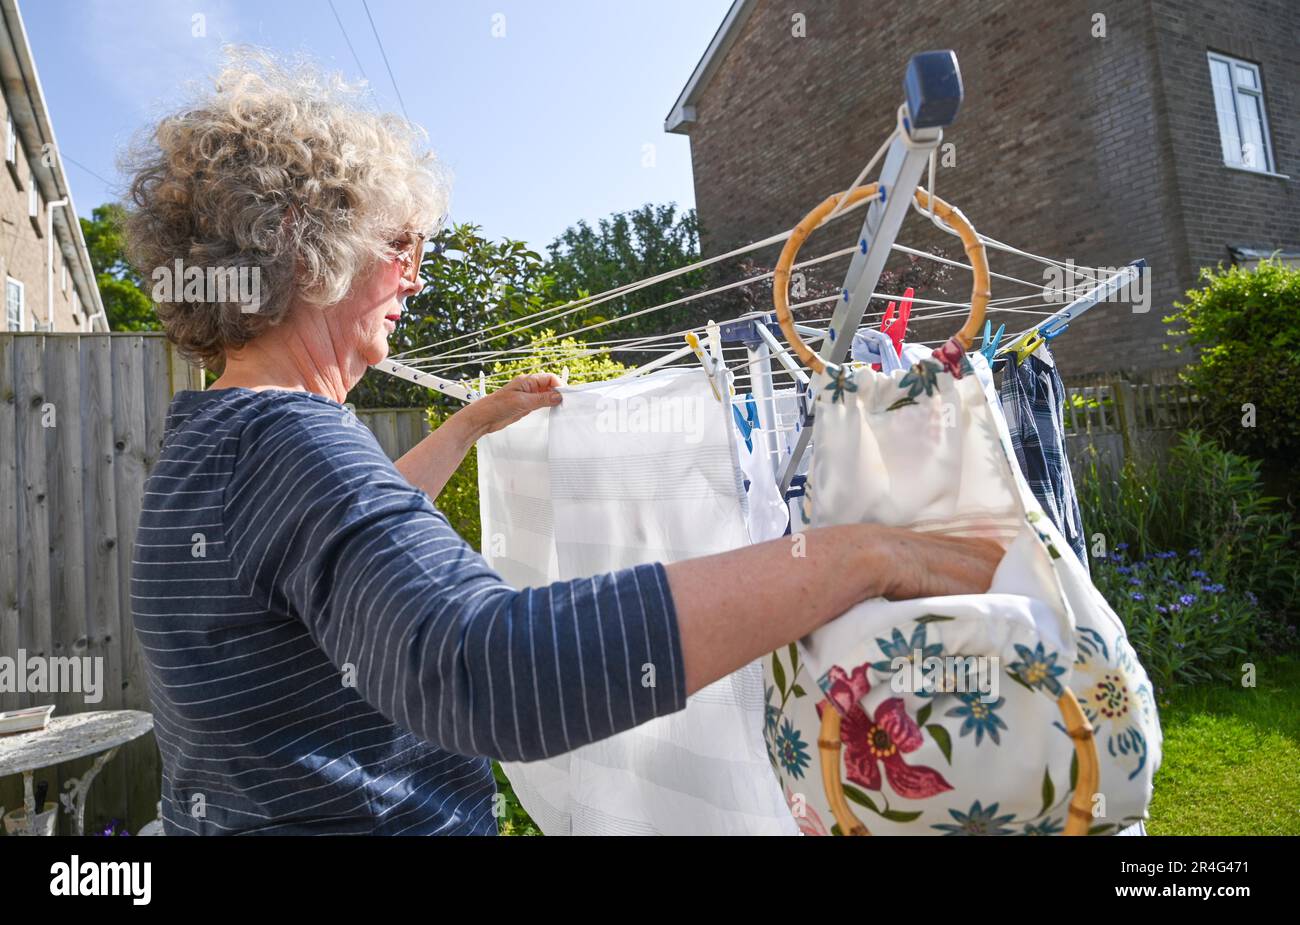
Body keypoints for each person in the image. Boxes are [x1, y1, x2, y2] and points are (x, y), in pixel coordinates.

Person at [125, 48, 1001, 834]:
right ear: (306, 248)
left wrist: (468, 425)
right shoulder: (288, 441)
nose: (415, 278)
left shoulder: (213, 446)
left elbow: (336, 554)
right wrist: (857, 557)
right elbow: (485, 669)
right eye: (401, 245)